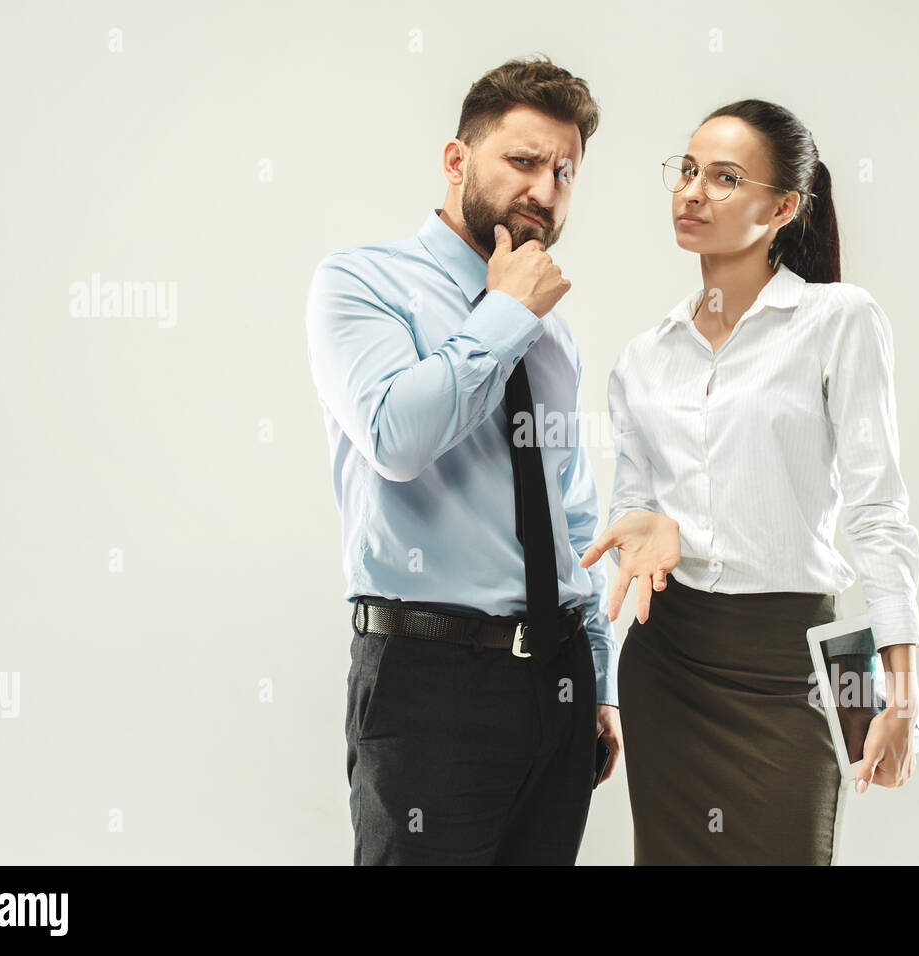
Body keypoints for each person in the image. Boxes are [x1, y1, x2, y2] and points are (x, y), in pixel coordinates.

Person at [580, 99, 919, 865]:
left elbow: (878, 512)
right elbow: (629, 514)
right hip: (667, 660)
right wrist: (647, 523)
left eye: (725, 178)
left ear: (783, 206)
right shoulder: (643, 359)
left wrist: (900, 692)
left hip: (796, 664)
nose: (694, 191)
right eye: (689, 170)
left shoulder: (841, 320)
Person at [304, 55, 622, 865]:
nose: (545, 193)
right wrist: (507, 310)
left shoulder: (554, 332)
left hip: (555, 686)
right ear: (457, 160)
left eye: (564, 173)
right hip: (427, 676)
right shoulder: (360, 282)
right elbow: (396, 440)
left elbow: (570, 508)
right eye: (522, 162)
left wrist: (597, 677)